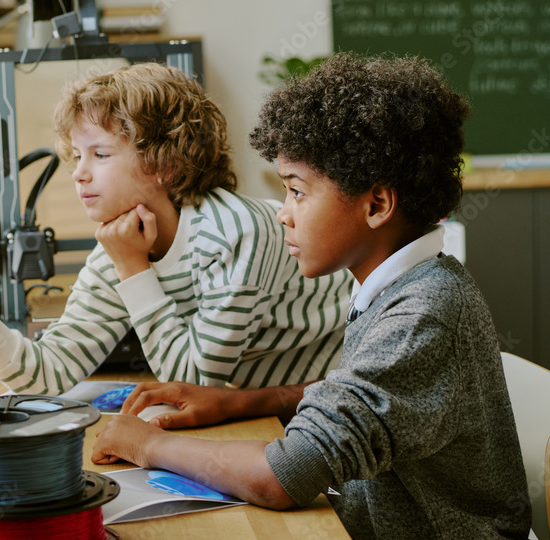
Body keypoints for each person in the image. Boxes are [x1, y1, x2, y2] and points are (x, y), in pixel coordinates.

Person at [91, 53, 532, 537]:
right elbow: (361, 396)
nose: (284, 214)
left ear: (377, 204)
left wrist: (145, 446)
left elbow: (280, 476)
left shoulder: (423, 314)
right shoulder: (398, 285)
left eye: (297, 192)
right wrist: (235, 404)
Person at [0, 62, 350, 395]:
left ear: (165, 164)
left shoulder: (234, 233)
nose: (79, 173)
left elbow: (193, 383)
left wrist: (133, 269)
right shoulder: (118, 249)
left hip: (341, 386)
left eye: (100, 155)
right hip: (274, 401)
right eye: (77, 156)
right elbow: (47, 374)